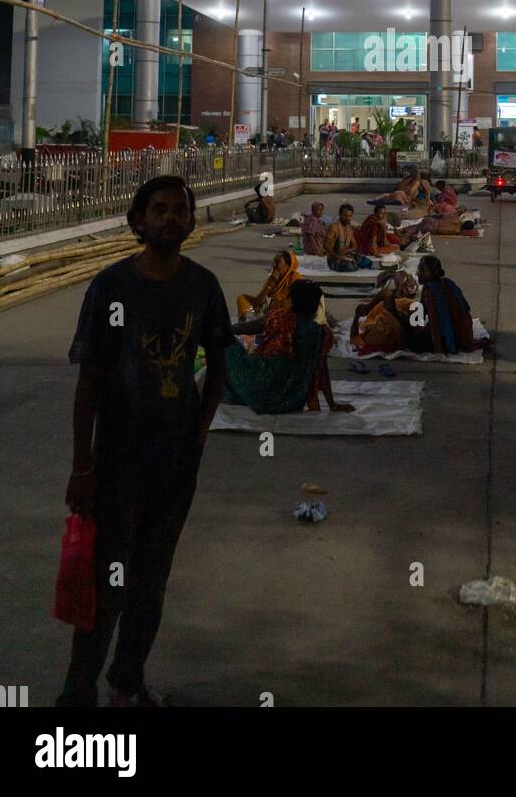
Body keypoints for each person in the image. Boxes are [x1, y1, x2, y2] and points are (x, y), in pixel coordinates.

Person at [56, 176, 232, 708]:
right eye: (159, 209)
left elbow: (221, 365)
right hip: (117, 464)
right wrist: (81, 468)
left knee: (151, 582)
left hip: (176, 465)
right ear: (138, 221)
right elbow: (89, 381)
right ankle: (77, 694)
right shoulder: (110, 287)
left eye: (180, 210)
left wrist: (198, 431)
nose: (170, 218)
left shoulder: (203, 286)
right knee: (108, 585)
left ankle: (126, 683)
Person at [224, 280, 354, 416]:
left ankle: (228, 392)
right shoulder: (323, 334)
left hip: (258, 393)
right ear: (316, 305)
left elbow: (244, 328)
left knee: (225, 343)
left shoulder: (278, 317)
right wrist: (332, 404)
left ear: (292, 300)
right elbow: (322, 369)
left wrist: (222, 330)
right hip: (292, 402)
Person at [236, 248, 302, 321]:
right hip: (270, 314)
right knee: (242, 298)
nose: (274, 265)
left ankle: (248, 324)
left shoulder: (296, 280)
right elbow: (258, 302)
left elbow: (295, 308)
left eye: (278, 262)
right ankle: (248, 321)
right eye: (274, 261)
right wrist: (270, 285)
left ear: (288, 266)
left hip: (285, 318)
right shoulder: (273, 278)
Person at [325, 203, 372, 271]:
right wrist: (338, 256)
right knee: (350, 267)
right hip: (334, 259)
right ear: (340, 215)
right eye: (345, 215)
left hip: (346, 255)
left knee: (367, 263)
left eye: (349, 216)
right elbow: (325, 245)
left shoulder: (348, 227)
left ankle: (353, 263)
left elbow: (355, 246)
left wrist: (346, 251)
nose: (347, 218)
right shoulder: (334, 227)